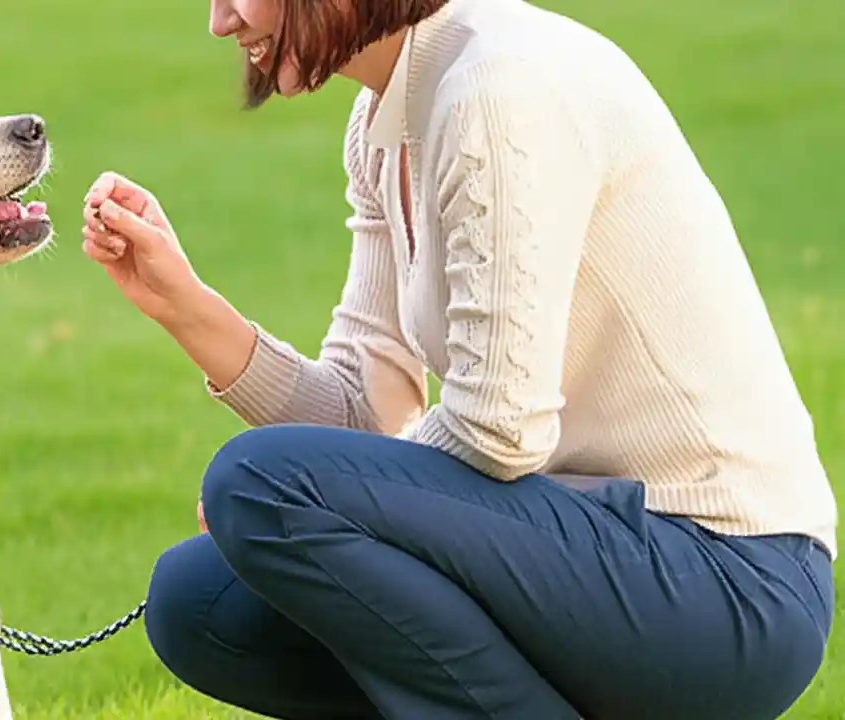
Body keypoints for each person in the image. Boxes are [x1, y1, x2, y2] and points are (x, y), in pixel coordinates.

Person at [79, 0, 837, 717]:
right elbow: (368, 413)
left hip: (725, 582)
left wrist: (321, 490)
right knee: (201, 604)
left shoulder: (498, 91)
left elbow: (500, 429)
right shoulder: (389, 114)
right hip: (594, 559)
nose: (220, 21)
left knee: (258, 484)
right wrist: (184, 305)